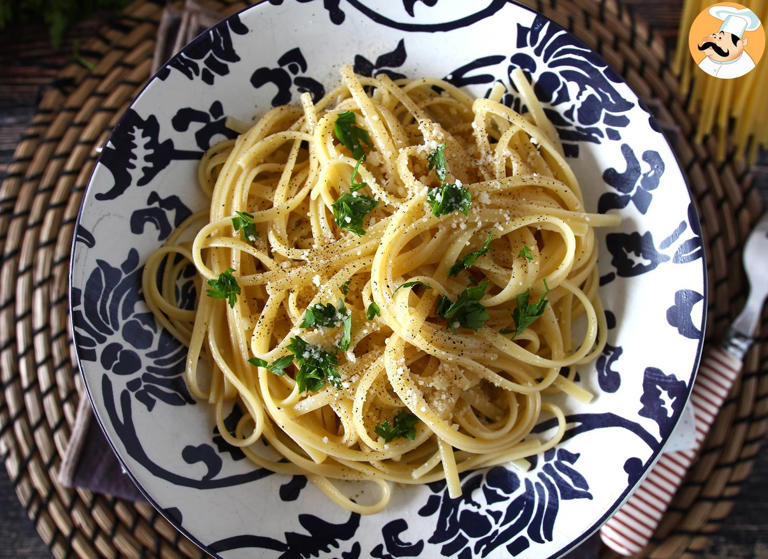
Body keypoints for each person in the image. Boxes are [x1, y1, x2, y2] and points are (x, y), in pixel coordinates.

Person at [697, 6, 761, 79]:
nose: (713, 41)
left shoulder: (745, 66)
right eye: (715, 36)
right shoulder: (707, 60)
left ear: (740, 43)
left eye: (720, 38)